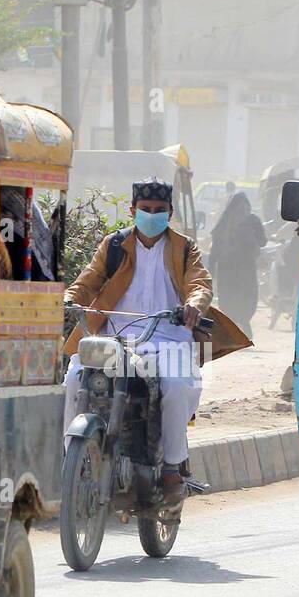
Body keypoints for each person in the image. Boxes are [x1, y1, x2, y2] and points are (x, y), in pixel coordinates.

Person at [63, 177, 250, 501]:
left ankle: (171, 470)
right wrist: (68, 298)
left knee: (177, 387)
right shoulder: (114, 245)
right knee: (75, 377)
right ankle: (73, 461)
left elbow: (200, 283)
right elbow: (88, 281)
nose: (152, 215)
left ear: (169, 212)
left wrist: (193, 306)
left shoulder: (184, 248)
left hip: (169, 337)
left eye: (159, 210)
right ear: (133, 210)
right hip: (114, 334)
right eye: (146, 209)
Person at [206, 190, 266, 337]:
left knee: (233, 298)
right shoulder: (250, 220)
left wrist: (211, 270)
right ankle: (242, 326)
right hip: (240, 268)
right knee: (242, 298)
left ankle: (236, 328)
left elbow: (215, 249)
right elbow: (263, 241)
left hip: (233, 268)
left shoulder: (225, 222)